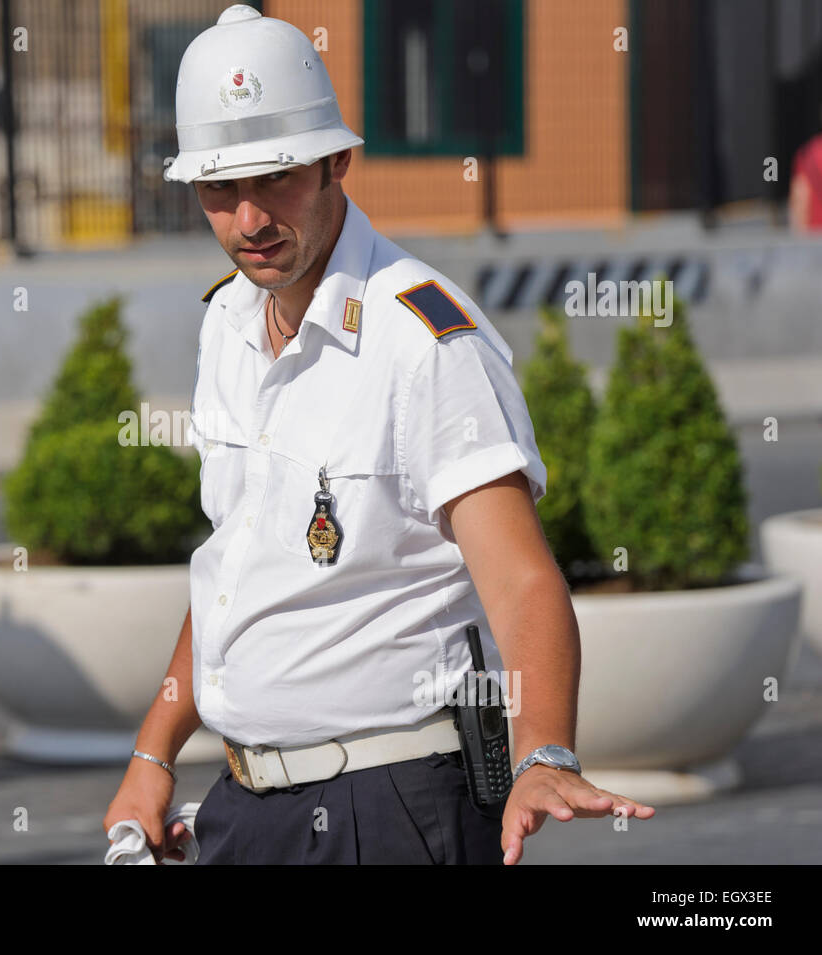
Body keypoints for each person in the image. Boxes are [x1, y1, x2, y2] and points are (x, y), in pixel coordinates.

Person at [102, 4, 655, 865]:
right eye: (219, 189)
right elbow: (236, 568)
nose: (248, 219)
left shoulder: (424, 339)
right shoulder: (230, 325)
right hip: (246, 805)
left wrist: (546, 751)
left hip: (391, 810)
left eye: (276, 178)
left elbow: (520, 580)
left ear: (336, 163)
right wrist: (152, 751)